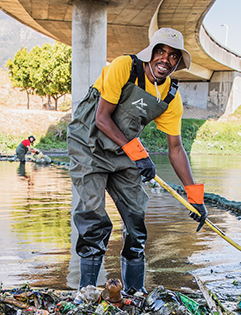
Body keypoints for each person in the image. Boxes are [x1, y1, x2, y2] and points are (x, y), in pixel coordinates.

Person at [67, 27, 207, 294]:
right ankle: (86, 295)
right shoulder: (124, 67)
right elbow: (102, 119)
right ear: (150, 52)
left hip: (123, 152)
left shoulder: (169, 97)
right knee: (94, 219)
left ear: (177, 62)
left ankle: (135, 295)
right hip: (88, 145)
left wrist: (195, 195)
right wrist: (140, 155)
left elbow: (176, 148)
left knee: (136, 221)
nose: (165, 59)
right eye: (161, 51)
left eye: (173, 56)